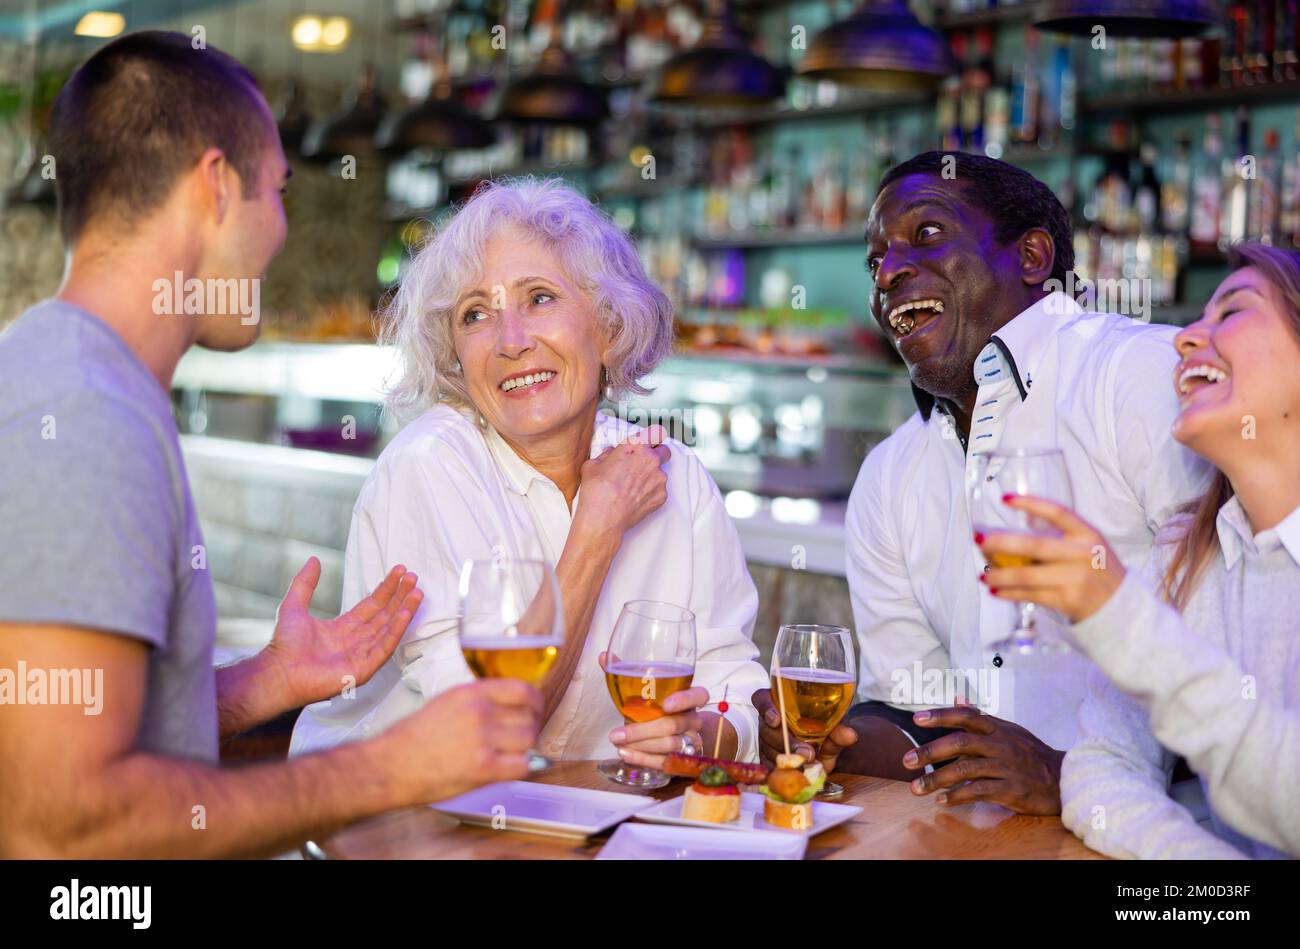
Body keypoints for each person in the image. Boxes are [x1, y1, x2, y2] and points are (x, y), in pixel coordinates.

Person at [0, 32, 541, 859]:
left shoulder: (60, 372)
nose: (283, 229)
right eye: (278, 190)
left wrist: (263, 683)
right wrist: (388, 767)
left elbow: (56, 730)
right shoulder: (84, 419)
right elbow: (61, 823)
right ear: (216, 186)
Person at [754, 152, 1208, 815]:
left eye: (928, 233)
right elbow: (923, 716)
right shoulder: (887, 475)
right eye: (875, 261)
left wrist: (1073, 776)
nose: (889, 271)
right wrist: (831, 742)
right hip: (984, 834)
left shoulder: (1140, 378)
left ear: (1031, 257)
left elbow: (1248, 653)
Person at [290, 178, 768, 766]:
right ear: (455, 359)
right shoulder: (427, 468)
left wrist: (703, 735)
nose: (510, 341)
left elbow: (733, 684)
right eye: (475, 315)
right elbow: (490, 726)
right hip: (399, 832)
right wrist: (598, 526)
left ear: (610, 330)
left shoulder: (679, 480)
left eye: (540, 298)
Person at [978, 242, 1300, 857]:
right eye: (1196, 320)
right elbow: (1100, 765)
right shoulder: (1191, 552)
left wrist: (1120, 620)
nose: (1185, 339)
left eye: (1231, 313)